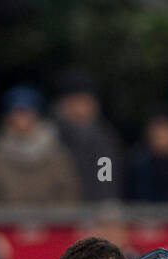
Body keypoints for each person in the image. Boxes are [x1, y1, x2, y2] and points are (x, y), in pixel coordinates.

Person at [0, 86, 81, 205]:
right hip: (4, 221)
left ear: (37, 116)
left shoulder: (58, 157)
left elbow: (69, 196)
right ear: (7, 117)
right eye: (16, 113)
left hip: (50, 222)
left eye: (26, 113)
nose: (21, 120)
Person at [52, 70, 124, 202]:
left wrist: (105, 205)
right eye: (75, 102)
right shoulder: (51, 137)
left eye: (86, 102)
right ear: (63, 104)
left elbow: (106, 180)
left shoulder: (103, 139)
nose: (80, 109)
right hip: (59, 215)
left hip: (94, 214)